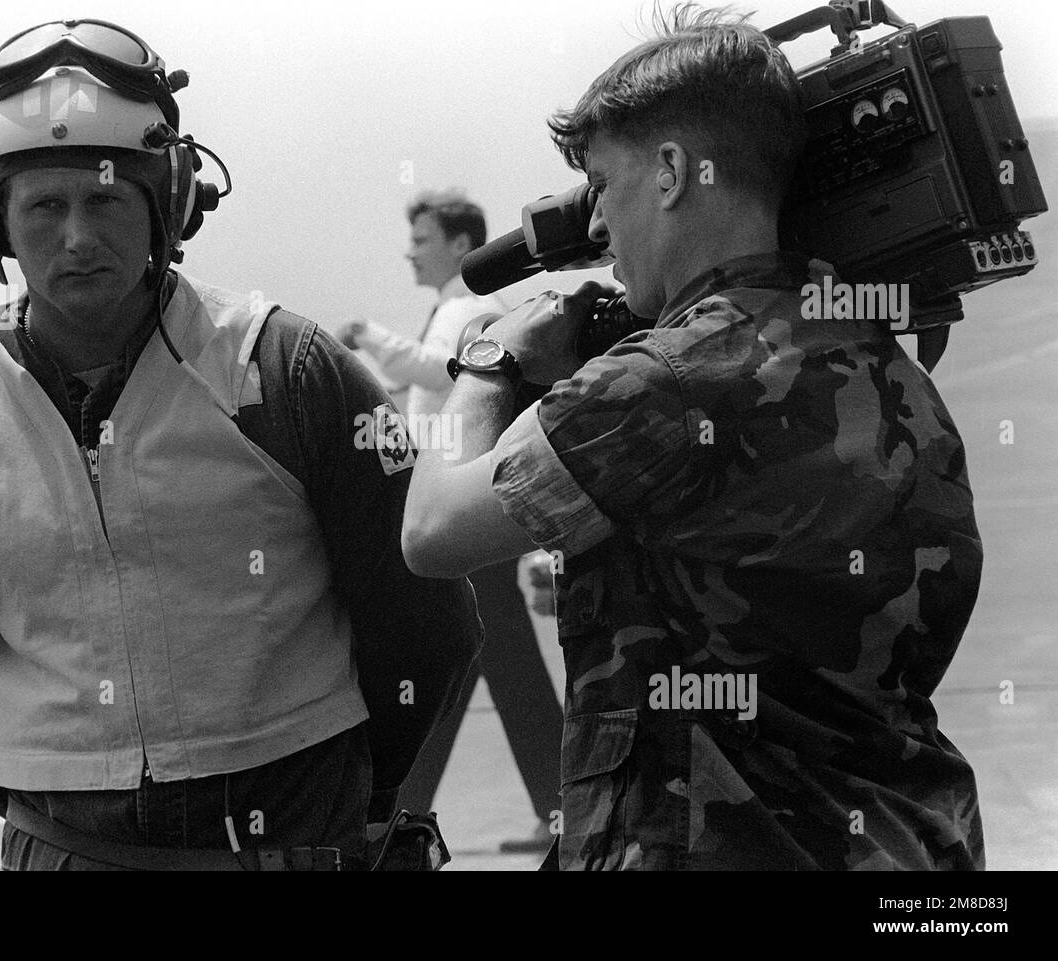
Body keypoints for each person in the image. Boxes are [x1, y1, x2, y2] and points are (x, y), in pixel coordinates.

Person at [0, 19, 481, 871]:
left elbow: (426, 630)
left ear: (169, 205)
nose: (78, 237)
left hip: (295, 842)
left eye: (109, 199)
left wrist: (344, 807)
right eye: (44, 205)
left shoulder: (286, 376)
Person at [400, 6, 985, 870]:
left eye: (603, 183)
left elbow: (433, 530)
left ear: (672, 171)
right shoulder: (886, 359)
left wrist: (490, 359)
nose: (595, 226)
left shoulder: (662, 380)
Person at [339, 191, 563, 847]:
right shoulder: (455, 308)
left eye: (422, 237)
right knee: (478, 659)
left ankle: (398, 812)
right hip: (465, 512)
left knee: (443, 660)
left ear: (460, 245)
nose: (410, 249)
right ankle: (547, 808)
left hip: (462, 512)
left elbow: (445, 370)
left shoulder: (472, 312)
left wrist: (368, 338)